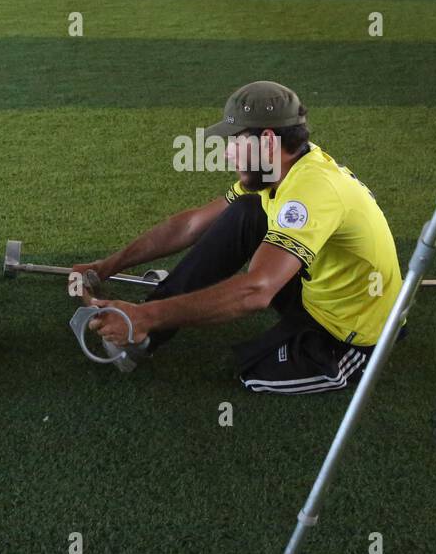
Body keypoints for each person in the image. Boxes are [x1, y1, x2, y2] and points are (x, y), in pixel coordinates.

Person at [77, 81, 403, 394]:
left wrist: (146, 316)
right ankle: (148, 333)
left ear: (270, 143)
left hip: (351, 333)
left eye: (235, 142)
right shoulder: (284, 168)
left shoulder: (313, 190)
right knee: (246, 211)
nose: (229, 154)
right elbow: (192, 225)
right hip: (314, 286)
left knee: (253, 374)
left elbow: (256, 292)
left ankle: (355, 360)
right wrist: (107, 265)